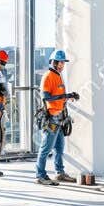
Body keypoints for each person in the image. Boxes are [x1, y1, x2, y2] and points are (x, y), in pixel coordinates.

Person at [36, 49, 80, 186]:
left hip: (60, 117)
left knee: (59, 148)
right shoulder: (48, 76)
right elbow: (46, 97)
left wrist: (69, 97)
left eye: (63, 63)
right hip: (52, 118)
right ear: (53, 62)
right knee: (46, 148)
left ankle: (59, 172)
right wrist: (64, 96)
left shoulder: (58, 76)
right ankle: (40, 175)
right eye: (59, 63)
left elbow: (59, 96)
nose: (62, 65)